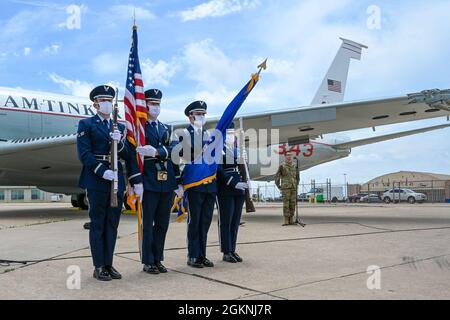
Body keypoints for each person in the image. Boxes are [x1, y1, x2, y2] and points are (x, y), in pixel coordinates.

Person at [77, 85, 143, 281]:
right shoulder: (86, 125)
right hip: (97, 180)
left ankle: (109, 264)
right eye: (102, 100)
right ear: (95, 104)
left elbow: (128, 155)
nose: (106, 104)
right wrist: (101, 170)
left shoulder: (120, 128)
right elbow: (84, 154)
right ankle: (98, 266)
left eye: (109, 100)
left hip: (116, 181)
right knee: (98, 224)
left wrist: (120, 142)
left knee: (112, 224)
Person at [136, 89, 183, 275]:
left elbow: (175, 152)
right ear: (144, 105)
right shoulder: (139, 128)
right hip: (148, 181)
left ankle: (158, 259)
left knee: (163, 223)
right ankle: (148, 261)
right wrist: (136, 181)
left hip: (167, 181)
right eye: (152, 103)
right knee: (148, 223)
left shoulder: (167, 129)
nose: (155, 107)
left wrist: (178, 181)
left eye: (158, 104)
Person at [179, 101, 216, 268]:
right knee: (194, 221)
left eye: (203, 114)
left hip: (209, 185)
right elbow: (180, 157)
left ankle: (202, 254)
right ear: (190, 116)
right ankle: (192, 255)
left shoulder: (208, 135)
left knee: (205, 221)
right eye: (198, 114)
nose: (201, 116)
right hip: (194, 184)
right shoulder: (183, 134)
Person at [216, 122, 248, 263]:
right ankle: (226, 251)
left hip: (239, 187)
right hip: (226, 188)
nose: (230, 134)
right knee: (226, 221)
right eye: (228, 132)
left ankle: (232, 249)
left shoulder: (237, 148)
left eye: (232, 132)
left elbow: (243, 168)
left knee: (235, 221)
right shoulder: (218, 148)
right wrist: (233, 183)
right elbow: (219, 169)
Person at [275, 151, 299, 226]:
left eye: (290, 155)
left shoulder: (295, 165)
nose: (289, 157)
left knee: (293, 203)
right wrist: (278, 185)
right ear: (285, 156)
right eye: (287, 155)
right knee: (286, 204)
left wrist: (297, 184)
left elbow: (297, 176)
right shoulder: (282, 166)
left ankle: (291, 218)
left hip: (293, 187)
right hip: (285, 187)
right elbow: (277, 176)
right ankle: (286, 219)